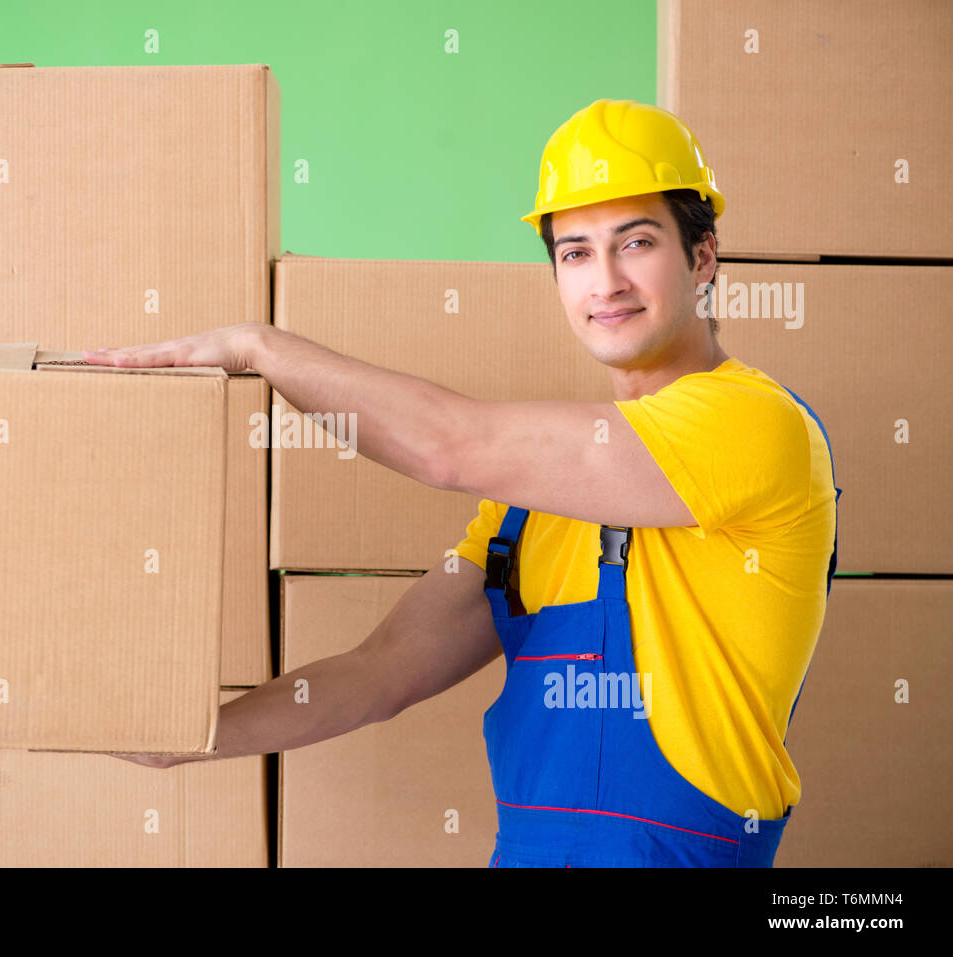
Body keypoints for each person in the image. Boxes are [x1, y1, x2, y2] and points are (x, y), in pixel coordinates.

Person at [88, 98, 841, 867]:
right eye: (576, 253)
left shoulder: (756, 425)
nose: (605, 280)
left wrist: (258, 346)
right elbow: (377, 673)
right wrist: (190, 738)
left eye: (637, 242)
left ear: (703, 256)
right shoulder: (527, 509)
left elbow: (447, 444)